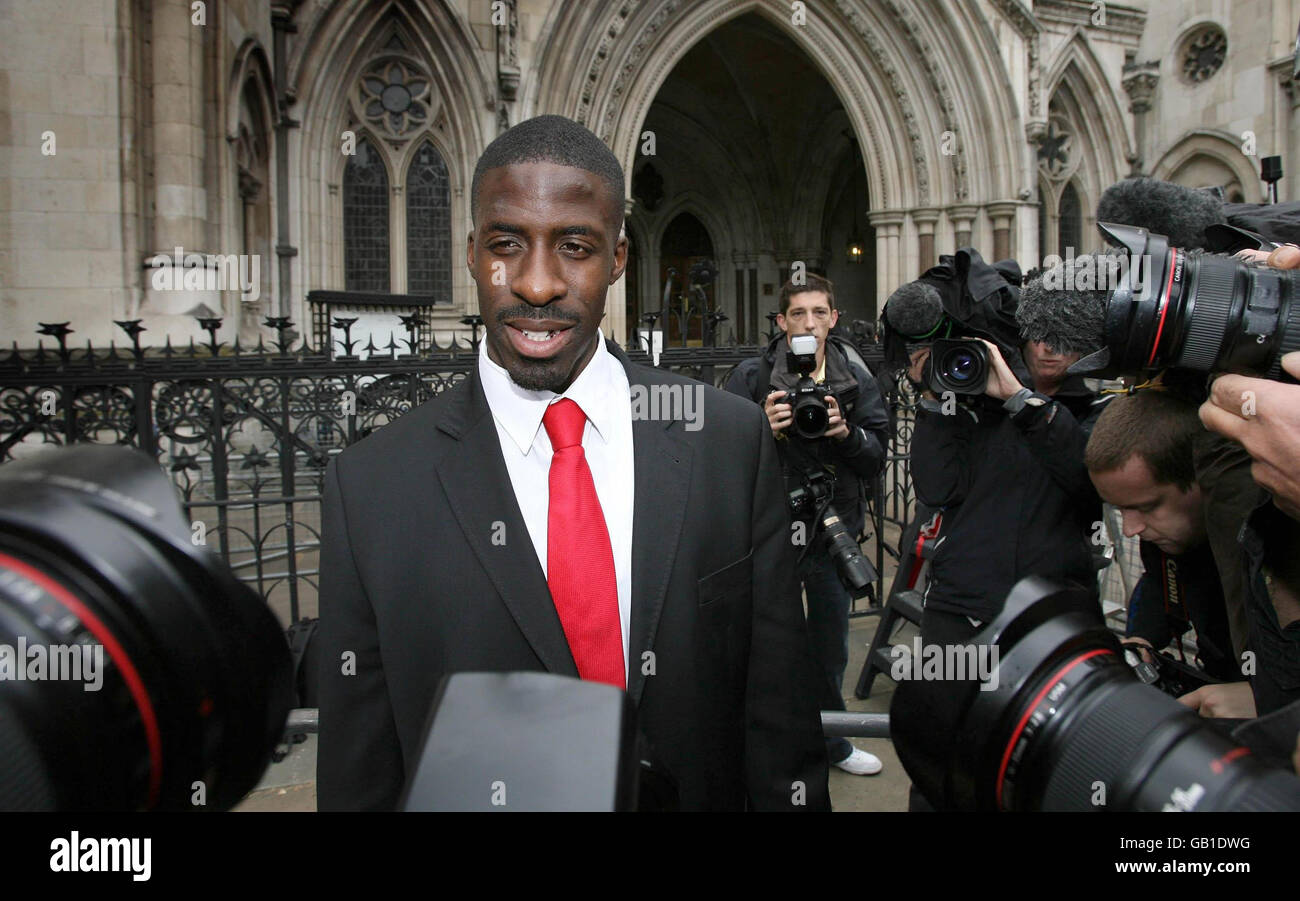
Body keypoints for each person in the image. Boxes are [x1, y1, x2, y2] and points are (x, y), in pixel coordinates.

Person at [316, 114, 830, 811]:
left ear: (619, 257)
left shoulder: (726, 443)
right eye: (506, 244)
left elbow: (780, 727)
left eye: (575, 246)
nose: (535, 284)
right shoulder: (371, 488)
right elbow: (360, 778)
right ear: (471, 253)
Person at [724, 273, 890, 777]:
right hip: (768, 533)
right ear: (781, 321)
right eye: (798, 313)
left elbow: (877, 457)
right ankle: (760, 748)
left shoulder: (856, 377)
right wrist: (759, 426)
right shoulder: (753, 377)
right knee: (761, 646)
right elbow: (719, 458)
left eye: (820, 312)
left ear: (833, 318)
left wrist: (846, 432)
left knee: (828, 648)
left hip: (830, 532)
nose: (810, 322)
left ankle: (834, 743)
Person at [1083, 390, 1240, 684]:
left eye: (1146, 507)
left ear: (1203, 479)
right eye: (1121, 511)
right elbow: (1159, 581)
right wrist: (1141, 639)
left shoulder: (1271, 557)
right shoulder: (1173, 540)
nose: (1131, 530)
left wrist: (1260, 701)